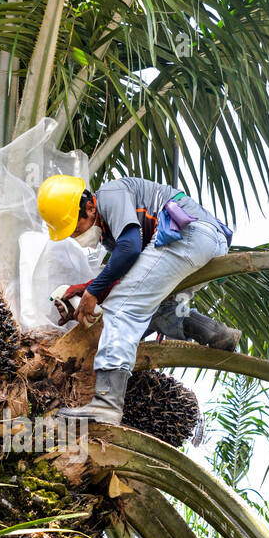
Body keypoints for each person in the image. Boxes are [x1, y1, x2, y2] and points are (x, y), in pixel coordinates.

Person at [36, 174, 240, 423]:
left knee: (122, 309)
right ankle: (216, 333)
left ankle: (106, 402)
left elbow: (130, 248)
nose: (76, 237)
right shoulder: (109, 231)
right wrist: (87, 289)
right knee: (157, 309)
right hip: (203, 240)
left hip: (189, 234)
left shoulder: (110, 194)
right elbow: (135, 274)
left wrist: (93, 292)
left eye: (75, 228)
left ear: (90, 206)